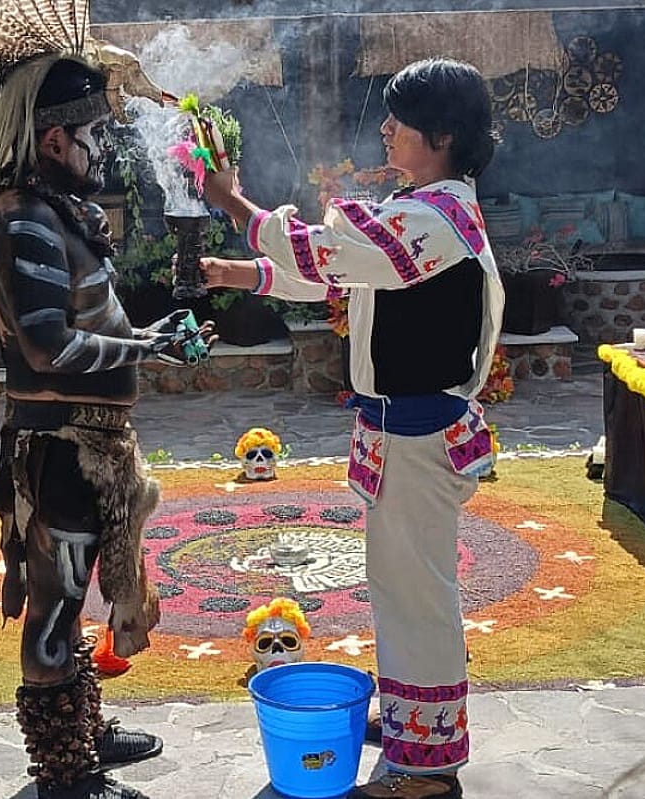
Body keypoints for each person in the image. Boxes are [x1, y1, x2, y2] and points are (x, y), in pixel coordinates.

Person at [201, 58, 504, 799]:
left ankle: (427, 768)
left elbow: (329, 255)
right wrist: (241, 274)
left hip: (416, 433)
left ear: (440, 135)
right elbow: (340, 272)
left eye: (399, 118)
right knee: (400, 588)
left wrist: (233, 202)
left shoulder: (435, 218)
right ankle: (411, 724)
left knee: (419, 596)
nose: (386, 127)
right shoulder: (422, 212)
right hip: (399, 432)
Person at [0, 2, 209, 798]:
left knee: (75, 593)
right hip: (61, 452)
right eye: (85, 137)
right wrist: (148, 344)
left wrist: (145, 332)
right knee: (55, 604)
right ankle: (64, 771)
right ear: (53, 139)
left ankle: (83, 723)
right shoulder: (22, 222)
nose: (95, 149)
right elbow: (50, 348)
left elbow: (86, 324)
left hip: (90, 448)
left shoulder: (48, 212)